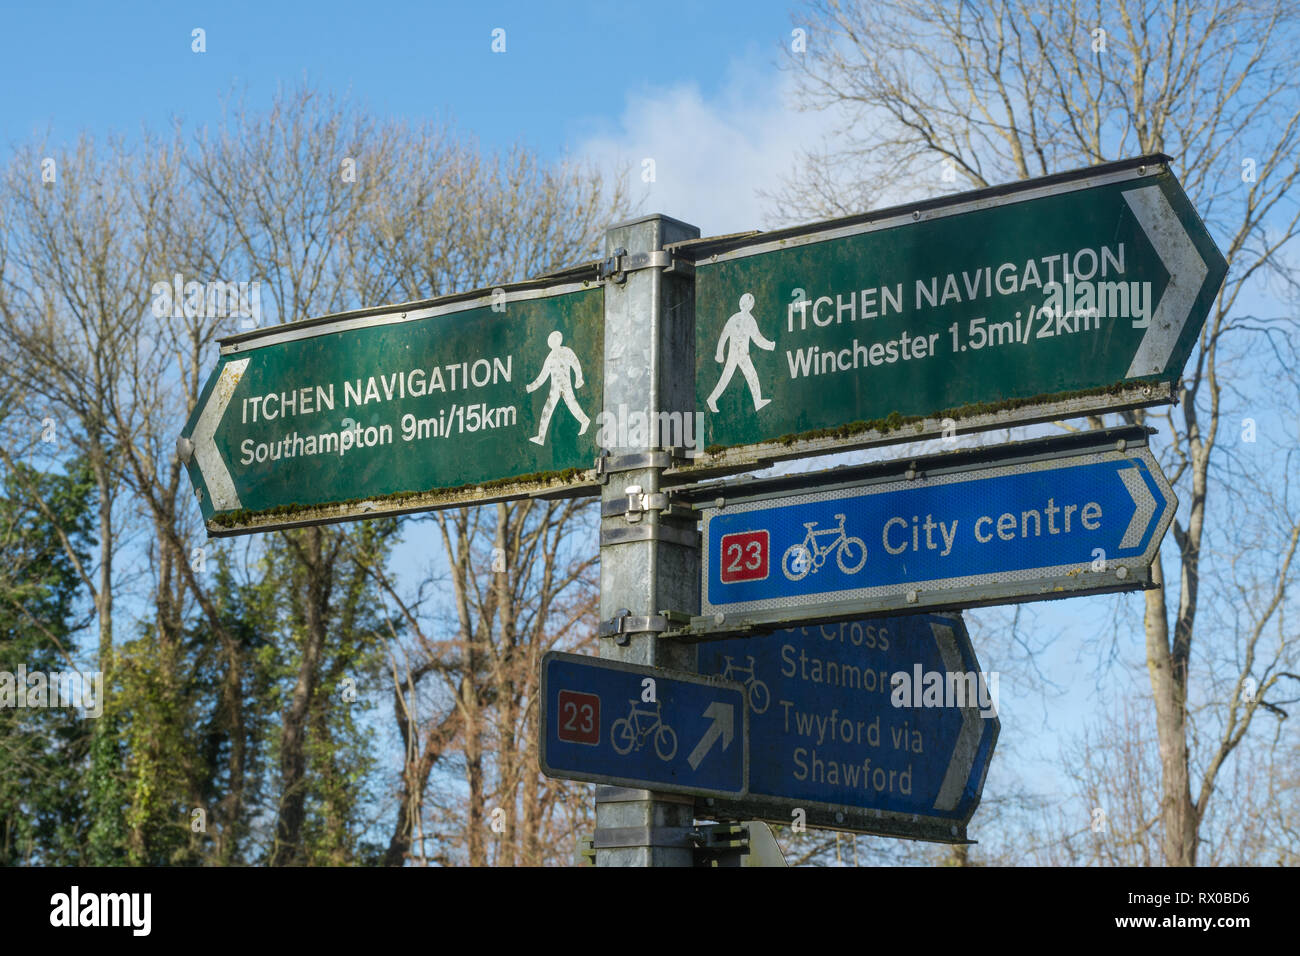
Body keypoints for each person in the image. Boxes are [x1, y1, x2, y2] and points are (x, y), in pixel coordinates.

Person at [706, 292, 775, 413]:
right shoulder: (743, 319)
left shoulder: (742, 318)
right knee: (728, 378)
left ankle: (758, 401)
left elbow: (756, 338)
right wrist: (771, 345)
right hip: (736, 354)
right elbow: (725, 335)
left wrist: (770, 345)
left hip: (743, 354)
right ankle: (712, 399)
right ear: (750, 305)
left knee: (751, 375)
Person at [526, 330, 590, 445]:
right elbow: (543, 375)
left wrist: (579, 378)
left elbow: (576, 364)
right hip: (554, 388)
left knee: (573, 405)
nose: (551, 341)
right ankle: (540, 437)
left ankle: (585, 421)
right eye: (550, 340)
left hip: (565, 385)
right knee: (547, 410)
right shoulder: (550, 357)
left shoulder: (566, 351)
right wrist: (531, 387)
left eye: (554, 339)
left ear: (559, 340)